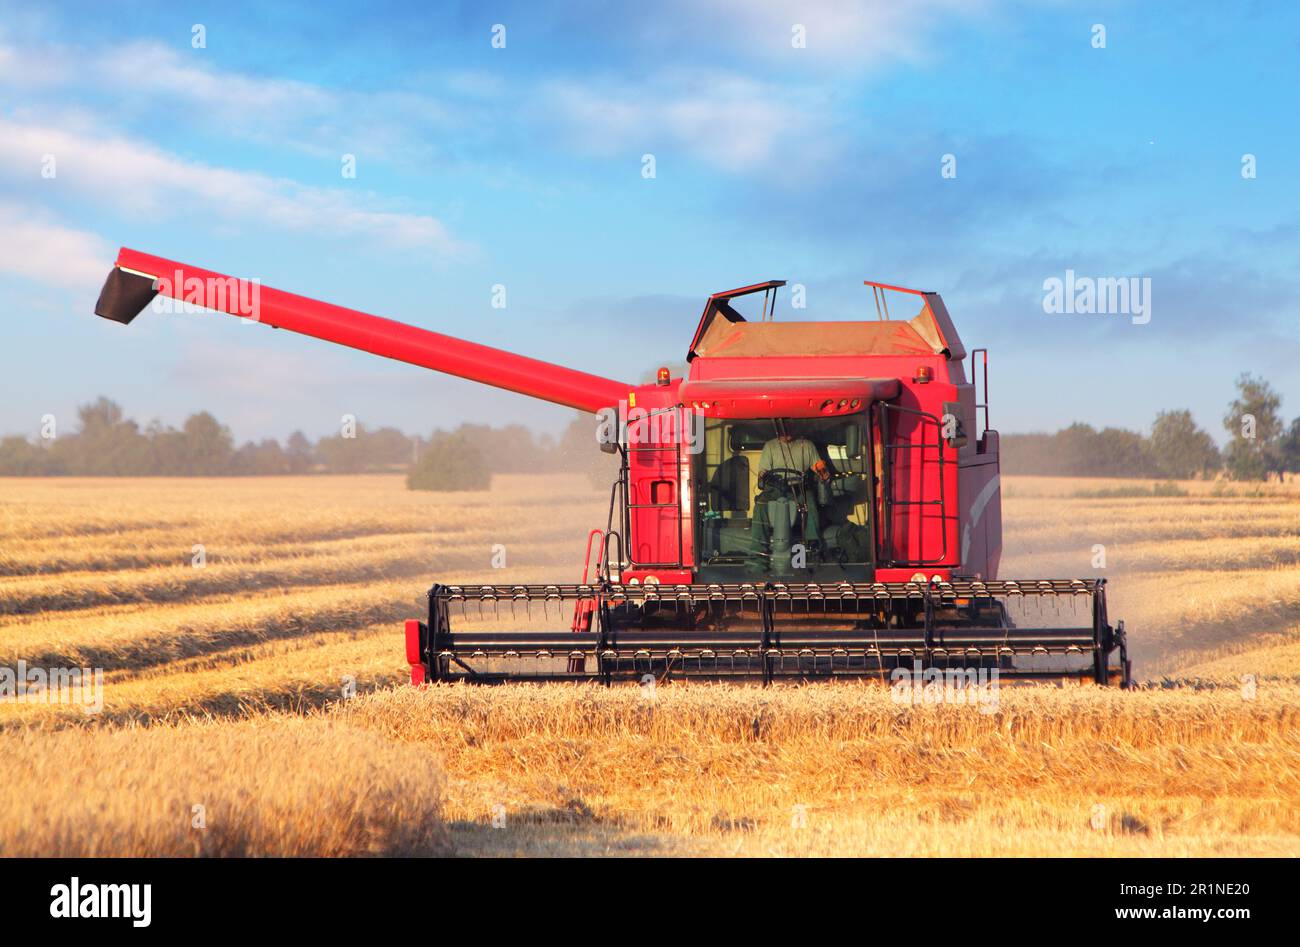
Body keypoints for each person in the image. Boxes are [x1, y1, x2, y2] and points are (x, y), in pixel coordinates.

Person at [749, 422, 830, 571]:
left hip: (799, 488)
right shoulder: (770, 446)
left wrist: (823, 472)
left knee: (809, 503)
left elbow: (818, 465)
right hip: (774, 488)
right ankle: (758, 557)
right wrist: (765, 477)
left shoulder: (806, 445)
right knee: (760, 506)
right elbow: (763, 471)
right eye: (783, 430)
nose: (786, 433)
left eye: (789, 428)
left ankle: (813, 550)